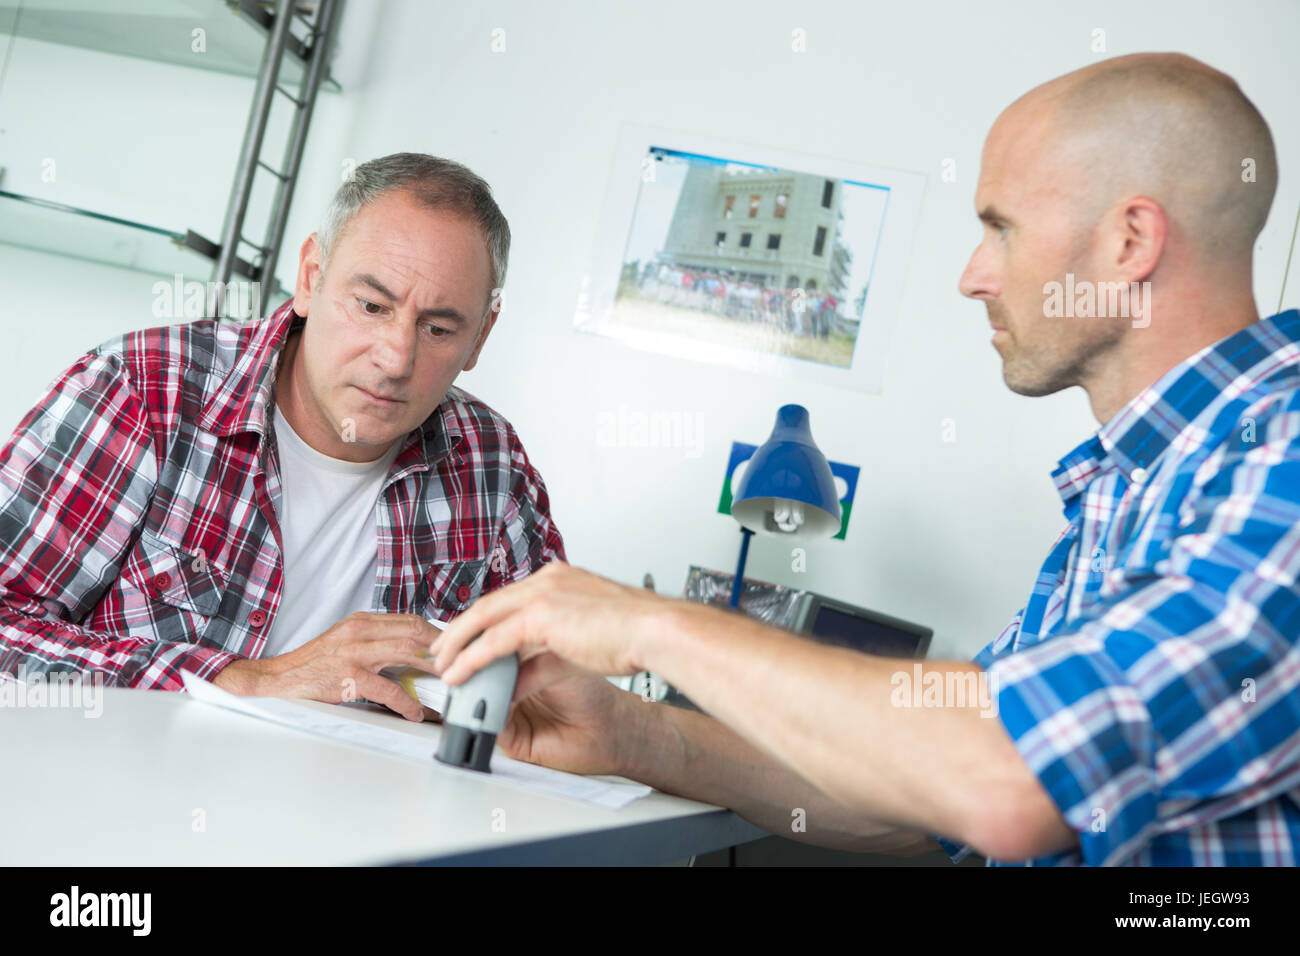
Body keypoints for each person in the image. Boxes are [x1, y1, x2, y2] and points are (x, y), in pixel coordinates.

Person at [431, 53, 1298, 865]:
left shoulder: (1282, 455)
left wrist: (647, 623)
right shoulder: (1132, 487)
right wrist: (629, 733)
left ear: (1129, 244)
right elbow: (926, 794)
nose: (973, 275)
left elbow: (1008, 779)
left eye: (1000, 228)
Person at [0, 153, 565, 722]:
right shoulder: (144, 390)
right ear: (311, 279)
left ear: (480, 338)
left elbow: (547, 697)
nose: (396, 359)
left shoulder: (492, 464)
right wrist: (247, 680)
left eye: (439, 329)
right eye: (371, 306)